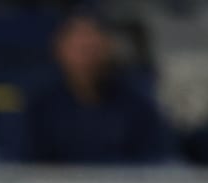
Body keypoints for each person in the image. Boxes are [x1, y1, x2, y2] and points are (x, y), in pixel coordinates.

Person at [21, 9, 176, 164]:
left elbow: (155, 160)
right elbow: (28, 163)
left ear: (107, 47)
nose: (87, 56)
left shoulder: (137, 104)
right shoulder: (40, 105)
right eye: (80, 48)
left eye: (92, 47)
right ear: (60, 49)